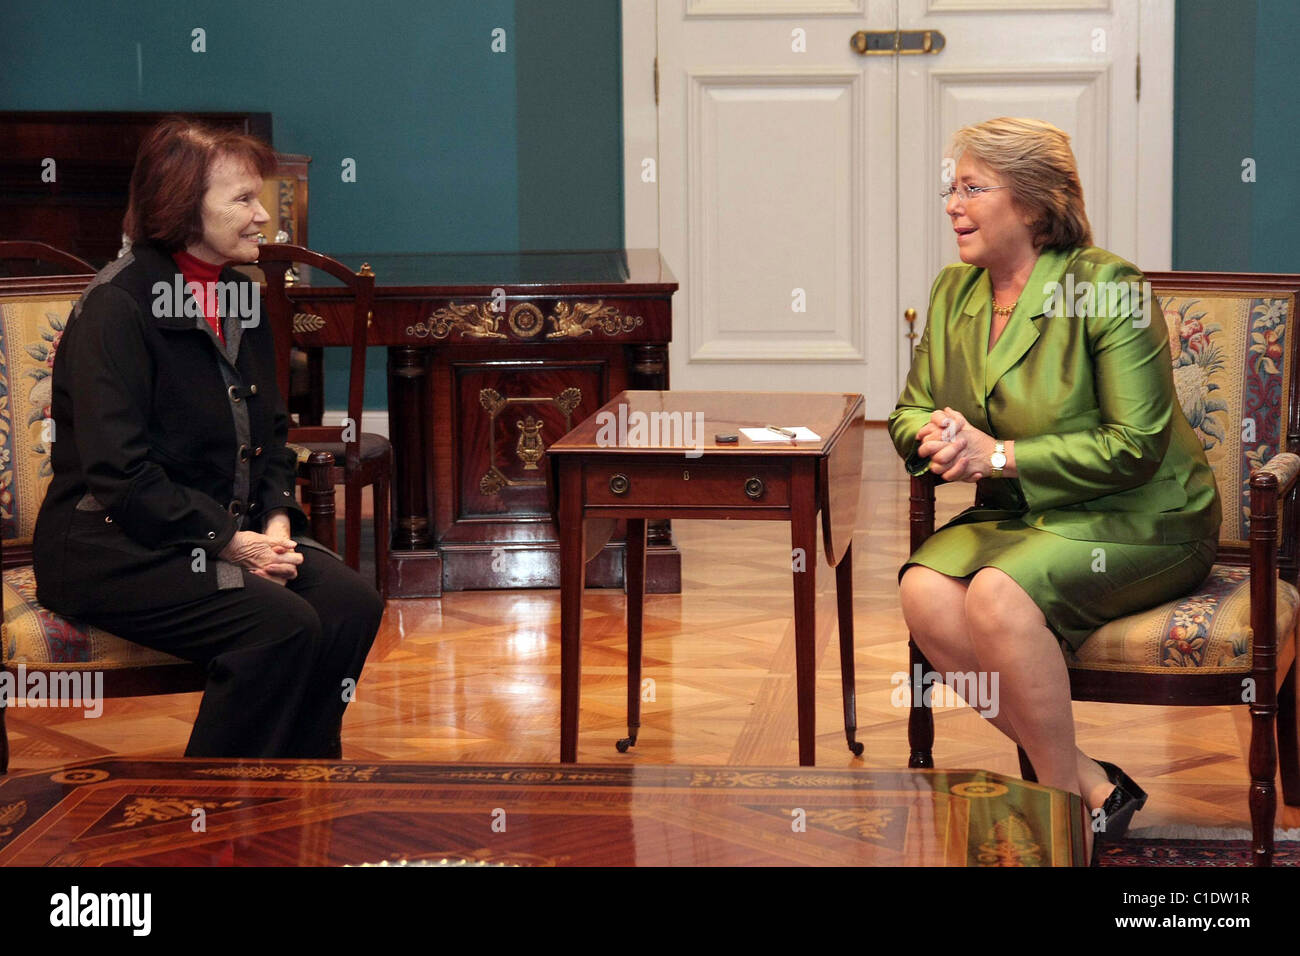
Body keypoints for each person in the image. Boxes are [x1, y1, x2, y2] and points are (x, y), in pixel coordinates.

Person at [888, 117, 1220, 858]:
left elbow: (1135, 446)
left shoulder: (1108, 288)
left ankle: (1057, 812)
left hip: (1143, 516)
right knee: (924, 592)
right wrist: (932, 436)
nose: (952, 203)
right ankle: (1090, 786)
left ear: (1035, 205)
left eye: (973, 187)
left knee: (997, 596)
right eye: (952, 187)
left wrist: (999, 455)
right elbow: (909, 406)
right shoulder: (953, 292)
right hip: (1027, 517)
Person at [32, 117, 384, 759]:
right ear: (183, 207)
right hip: (111, 546)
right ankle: (209, 809)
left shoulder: (241, 297)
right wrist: (230, 544)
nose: (264, 218)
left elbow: (273, 436)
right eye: (244, 200)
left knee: (351, 604)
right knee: (277, 625)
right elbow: (121, 475)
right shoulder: (118, 306)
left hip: (225, 534)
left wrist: (276, 522)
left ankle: (296, 784)